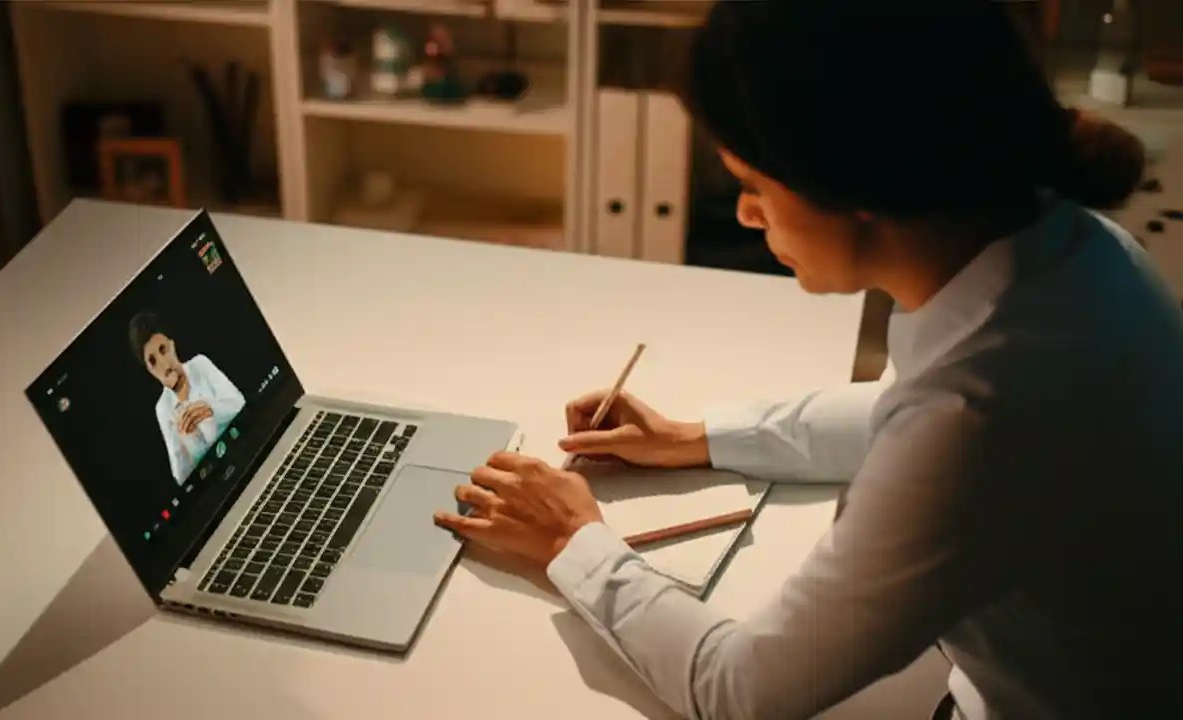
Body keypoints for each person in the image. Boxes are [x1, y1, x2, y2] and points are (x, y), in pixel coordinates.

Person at [433, 2, 1183, 718]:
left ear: (855, 184)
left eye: (754, 185)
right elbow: (903, 415)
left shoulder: (982, 415)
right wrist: (695, 437)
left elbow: (741, 691)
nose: (744, 213)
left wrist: (572, 542)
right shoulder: (1067, 251)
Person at [128, 311, 245, 485]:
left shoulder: (200, 365)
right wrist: (185, 440)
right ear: (150, 371)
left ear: (172, 345)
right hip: (216, 479)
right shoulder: (164, 408)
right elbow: (181, 477)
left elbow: (239, 403)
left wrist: (211, 410)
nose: (164, 365)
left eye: (163, 350)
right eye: (153, 361)